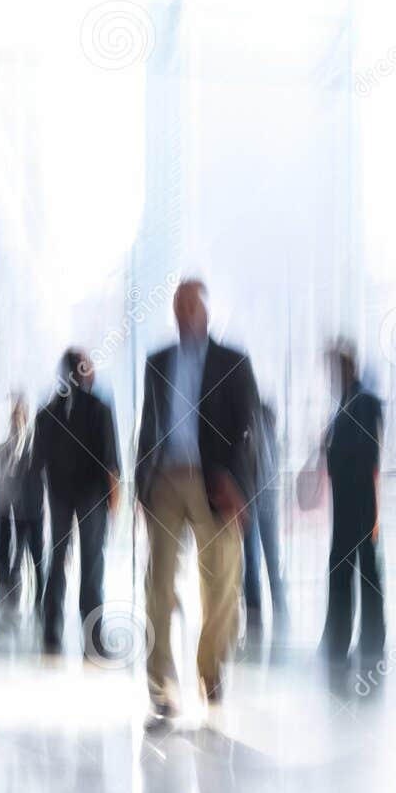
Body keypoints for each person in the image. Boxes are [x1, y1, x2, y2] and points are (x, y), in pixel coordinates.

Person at [134, 278, 260, 721]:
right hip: (166, 479)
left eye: (192, 304)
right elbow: (147, 426)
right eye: (178, 305)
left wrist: (239, 489)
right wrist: (140, 487)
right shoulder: (157, 362)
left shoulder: (233, 361)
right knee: (158, 584)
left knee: (221, 583)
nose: (184, 312)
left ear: (206, 310)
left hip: (216, 483)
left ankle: (210, 670)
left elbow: (250, 430)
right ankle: (161, 685)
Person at [34, 348, 120, 656]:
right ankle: (94, 639)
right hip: (92, 496)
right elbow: (111, 460)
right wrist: (115, 500)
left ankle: (51, 633)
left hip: (59, 495)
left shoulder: (46, 412)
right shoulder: (99, 408)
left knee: (57, 561)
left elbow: (38, 461)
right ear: (83, 371)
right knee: (92, 565)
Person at [319, 340, 385, 669]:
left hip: (356, 503)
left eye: (333, 366)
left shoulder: (363, 402)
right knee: (357, 570)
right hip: (350, 503)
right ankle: (353, 639)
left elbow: (366, 454)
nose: (330, 374)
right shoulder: (348, 402)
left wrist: (330, 450)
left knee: (357, 570)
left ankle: (355, 640)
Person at [0, 393, 44, 629]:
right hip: (8, 506)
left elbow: (38, 471)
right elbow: (2, 472)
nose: (16, 419)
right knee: (9, 554)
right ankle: (8, 599)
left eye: (20, 414)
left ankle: (39, 601)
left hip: (31, 507)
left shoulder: (34, 443)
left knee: (35, 555)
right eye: (13, 414)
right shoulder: (4, 445)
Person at [241, 397, 288, 638]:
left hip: (257, 502)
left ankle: (256, 615)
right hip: (260, 502)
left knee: (255, 561)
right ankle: (274, 612)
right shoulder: (268, 439)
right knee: (263, 560)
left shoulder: (259, 438)